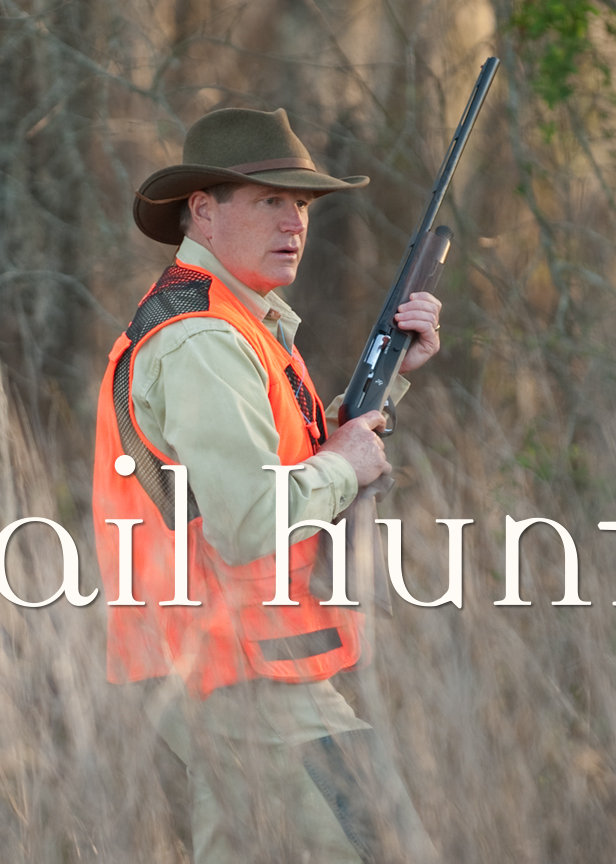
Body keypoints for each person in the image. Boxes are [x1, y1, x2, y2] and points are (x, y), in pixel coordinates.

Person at [92, 107, 441, 862]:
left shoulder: (230, 324)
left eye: (303, 204)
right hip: (248, 673)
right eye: (269, 200)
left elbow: (289, 462)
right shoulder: (206, 340)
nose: (294, 222)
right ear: (203, 212)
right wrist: (345, 466)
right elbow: (250, 521)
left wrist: (386, 393)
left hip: (225, 670)